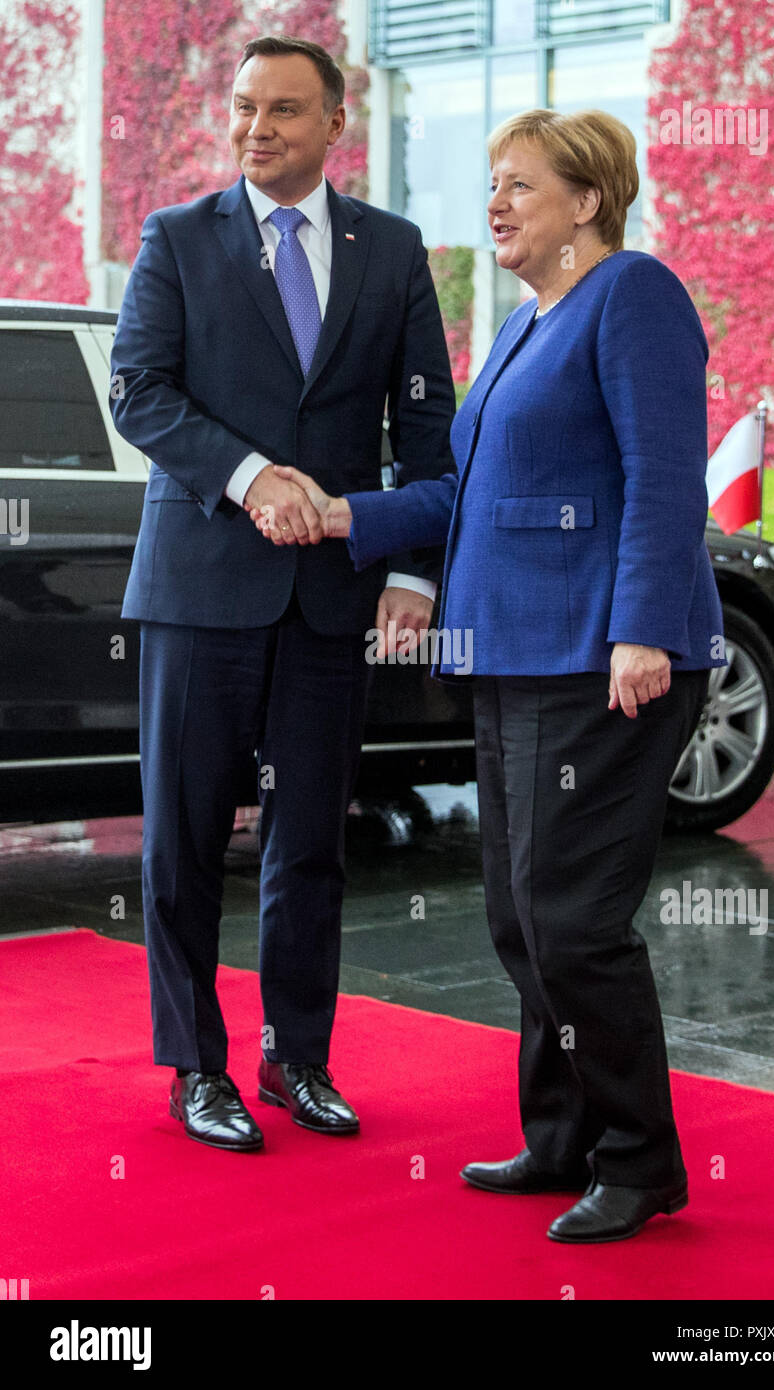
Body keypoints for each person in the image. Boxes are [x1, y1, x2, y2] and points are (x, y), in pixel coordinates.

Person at [255, 108, 726, 1241]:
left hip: (603, 657)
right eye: (493, 185)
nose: (498, 205)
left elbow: (666, 478)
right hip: (514, 656)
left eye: (522, 184)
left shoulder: (634, 295)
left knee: (571, 916)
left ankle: (641, 1156)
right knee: (521, 915)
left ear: (589, 201)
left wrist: (645, 629)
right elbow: (464, 499)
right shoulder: (525, 326)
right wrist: (342, 515)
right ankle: (561, 1134)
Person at [109, 35, 455, 1151]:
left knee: (310, 839)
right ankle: (195, 1065)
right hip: (202, 583)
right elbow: (139, 393)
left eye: (285, 111)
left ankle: (297, 1057)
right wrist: (253, 479)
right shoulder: (176, 239)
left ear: (334, 124)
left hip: (333, 597)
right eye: (246, 107)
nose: (258, 128)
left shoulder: (393, 251)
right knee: (183, 839)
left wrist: (409, 570)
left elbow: (427, 428)